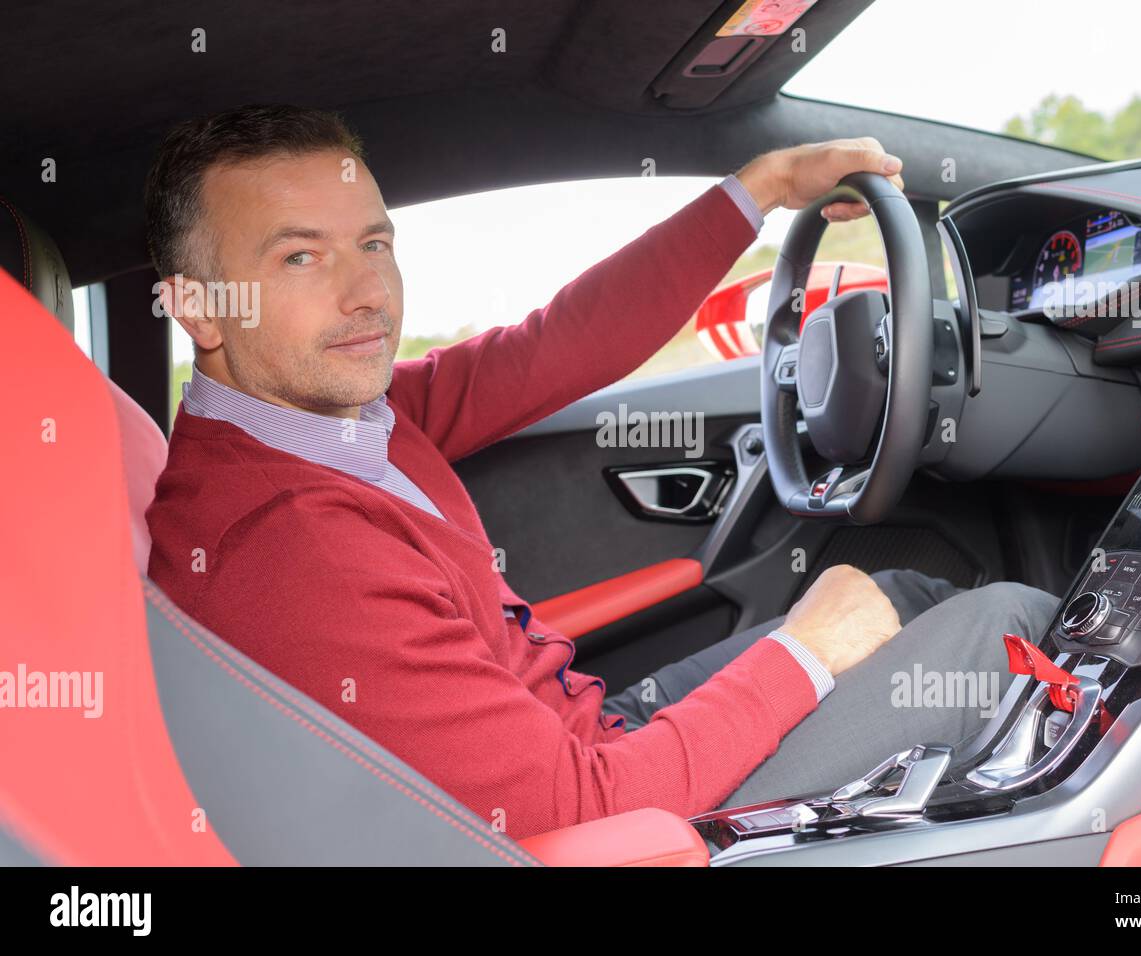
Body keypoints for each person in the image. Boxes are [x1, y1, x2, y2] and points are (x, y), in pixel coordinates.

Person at [145, 104, 1058, 839]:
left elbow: (553, 347)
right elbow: (584, 817)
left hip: (588, 743)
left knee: (902, 594)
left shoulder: (331, 417)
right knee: (1005, 628)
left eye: (374, 244)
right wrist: (807, 652)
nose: (368, 294)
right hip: (629, 825)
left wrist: (764, 188)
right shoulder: (292, 551)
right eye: (300, 256)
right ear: (199, 309)